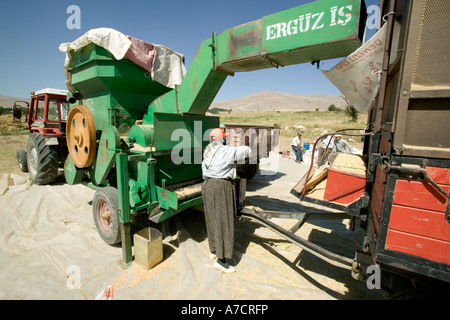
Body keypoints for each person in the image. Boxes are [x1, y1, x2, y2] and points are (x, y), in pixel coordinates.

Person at [201, 128, 251, 273]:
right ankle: (222, 261)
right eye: (224, 136)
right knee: (224, 221)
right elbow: (246, 151)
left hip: (208, 185)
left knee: (212, 219)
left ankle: (215, 250)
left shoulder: (208, 148)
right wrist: (241, 142)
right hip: (220, 186)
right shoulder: (225, 150)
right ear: (221, 138)